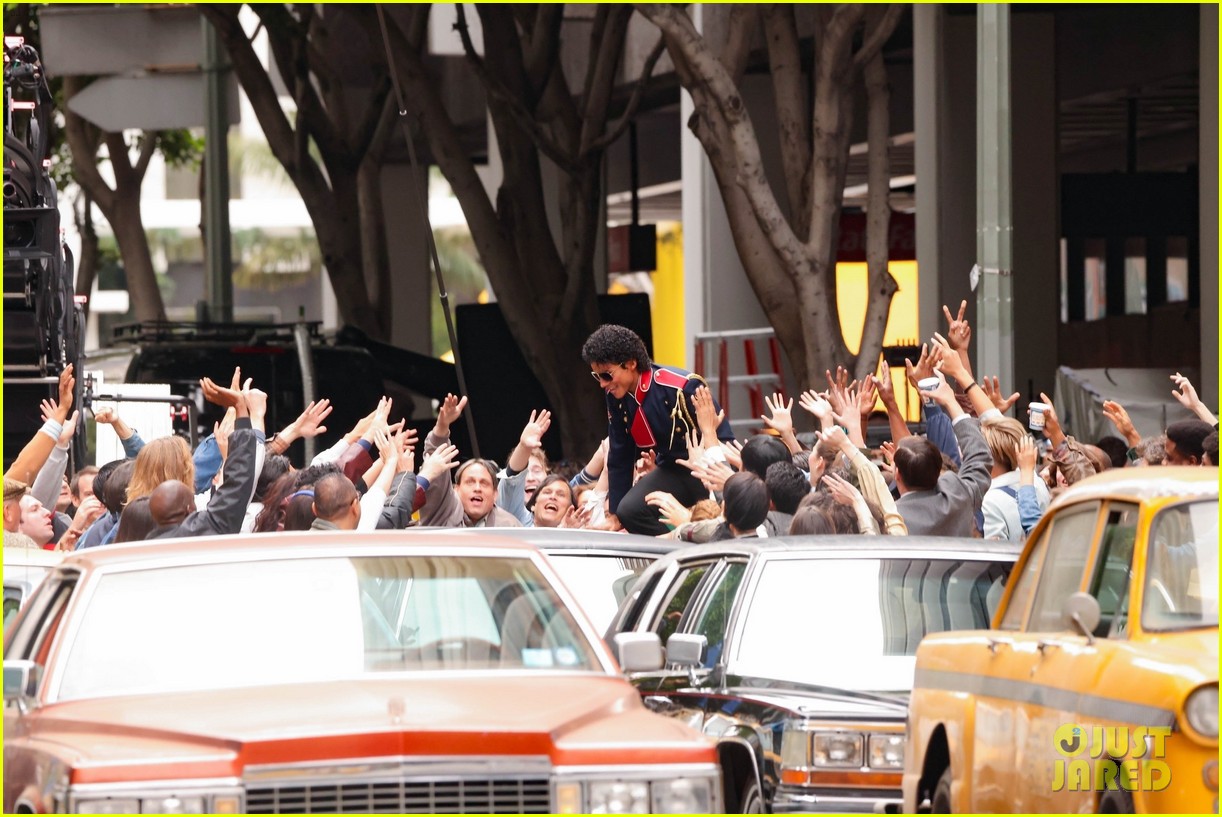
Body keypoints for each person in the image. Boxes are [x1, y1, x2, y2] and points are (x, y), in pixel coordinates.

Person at [581, 324, 733, 536]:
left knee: (720, 520)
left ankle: (694, 536)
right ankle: (674, 543)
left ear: (631, 363)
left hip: (707, 467)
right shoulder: (615, 397)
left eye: (606, 375)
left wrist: (723, 479)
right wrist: (615, 516)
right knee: (629, 511)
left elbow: (723, 439)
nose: (602, 384)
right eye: (597, 377)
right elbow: (620, 454)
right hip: (672, 469)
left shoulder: (682, 386)